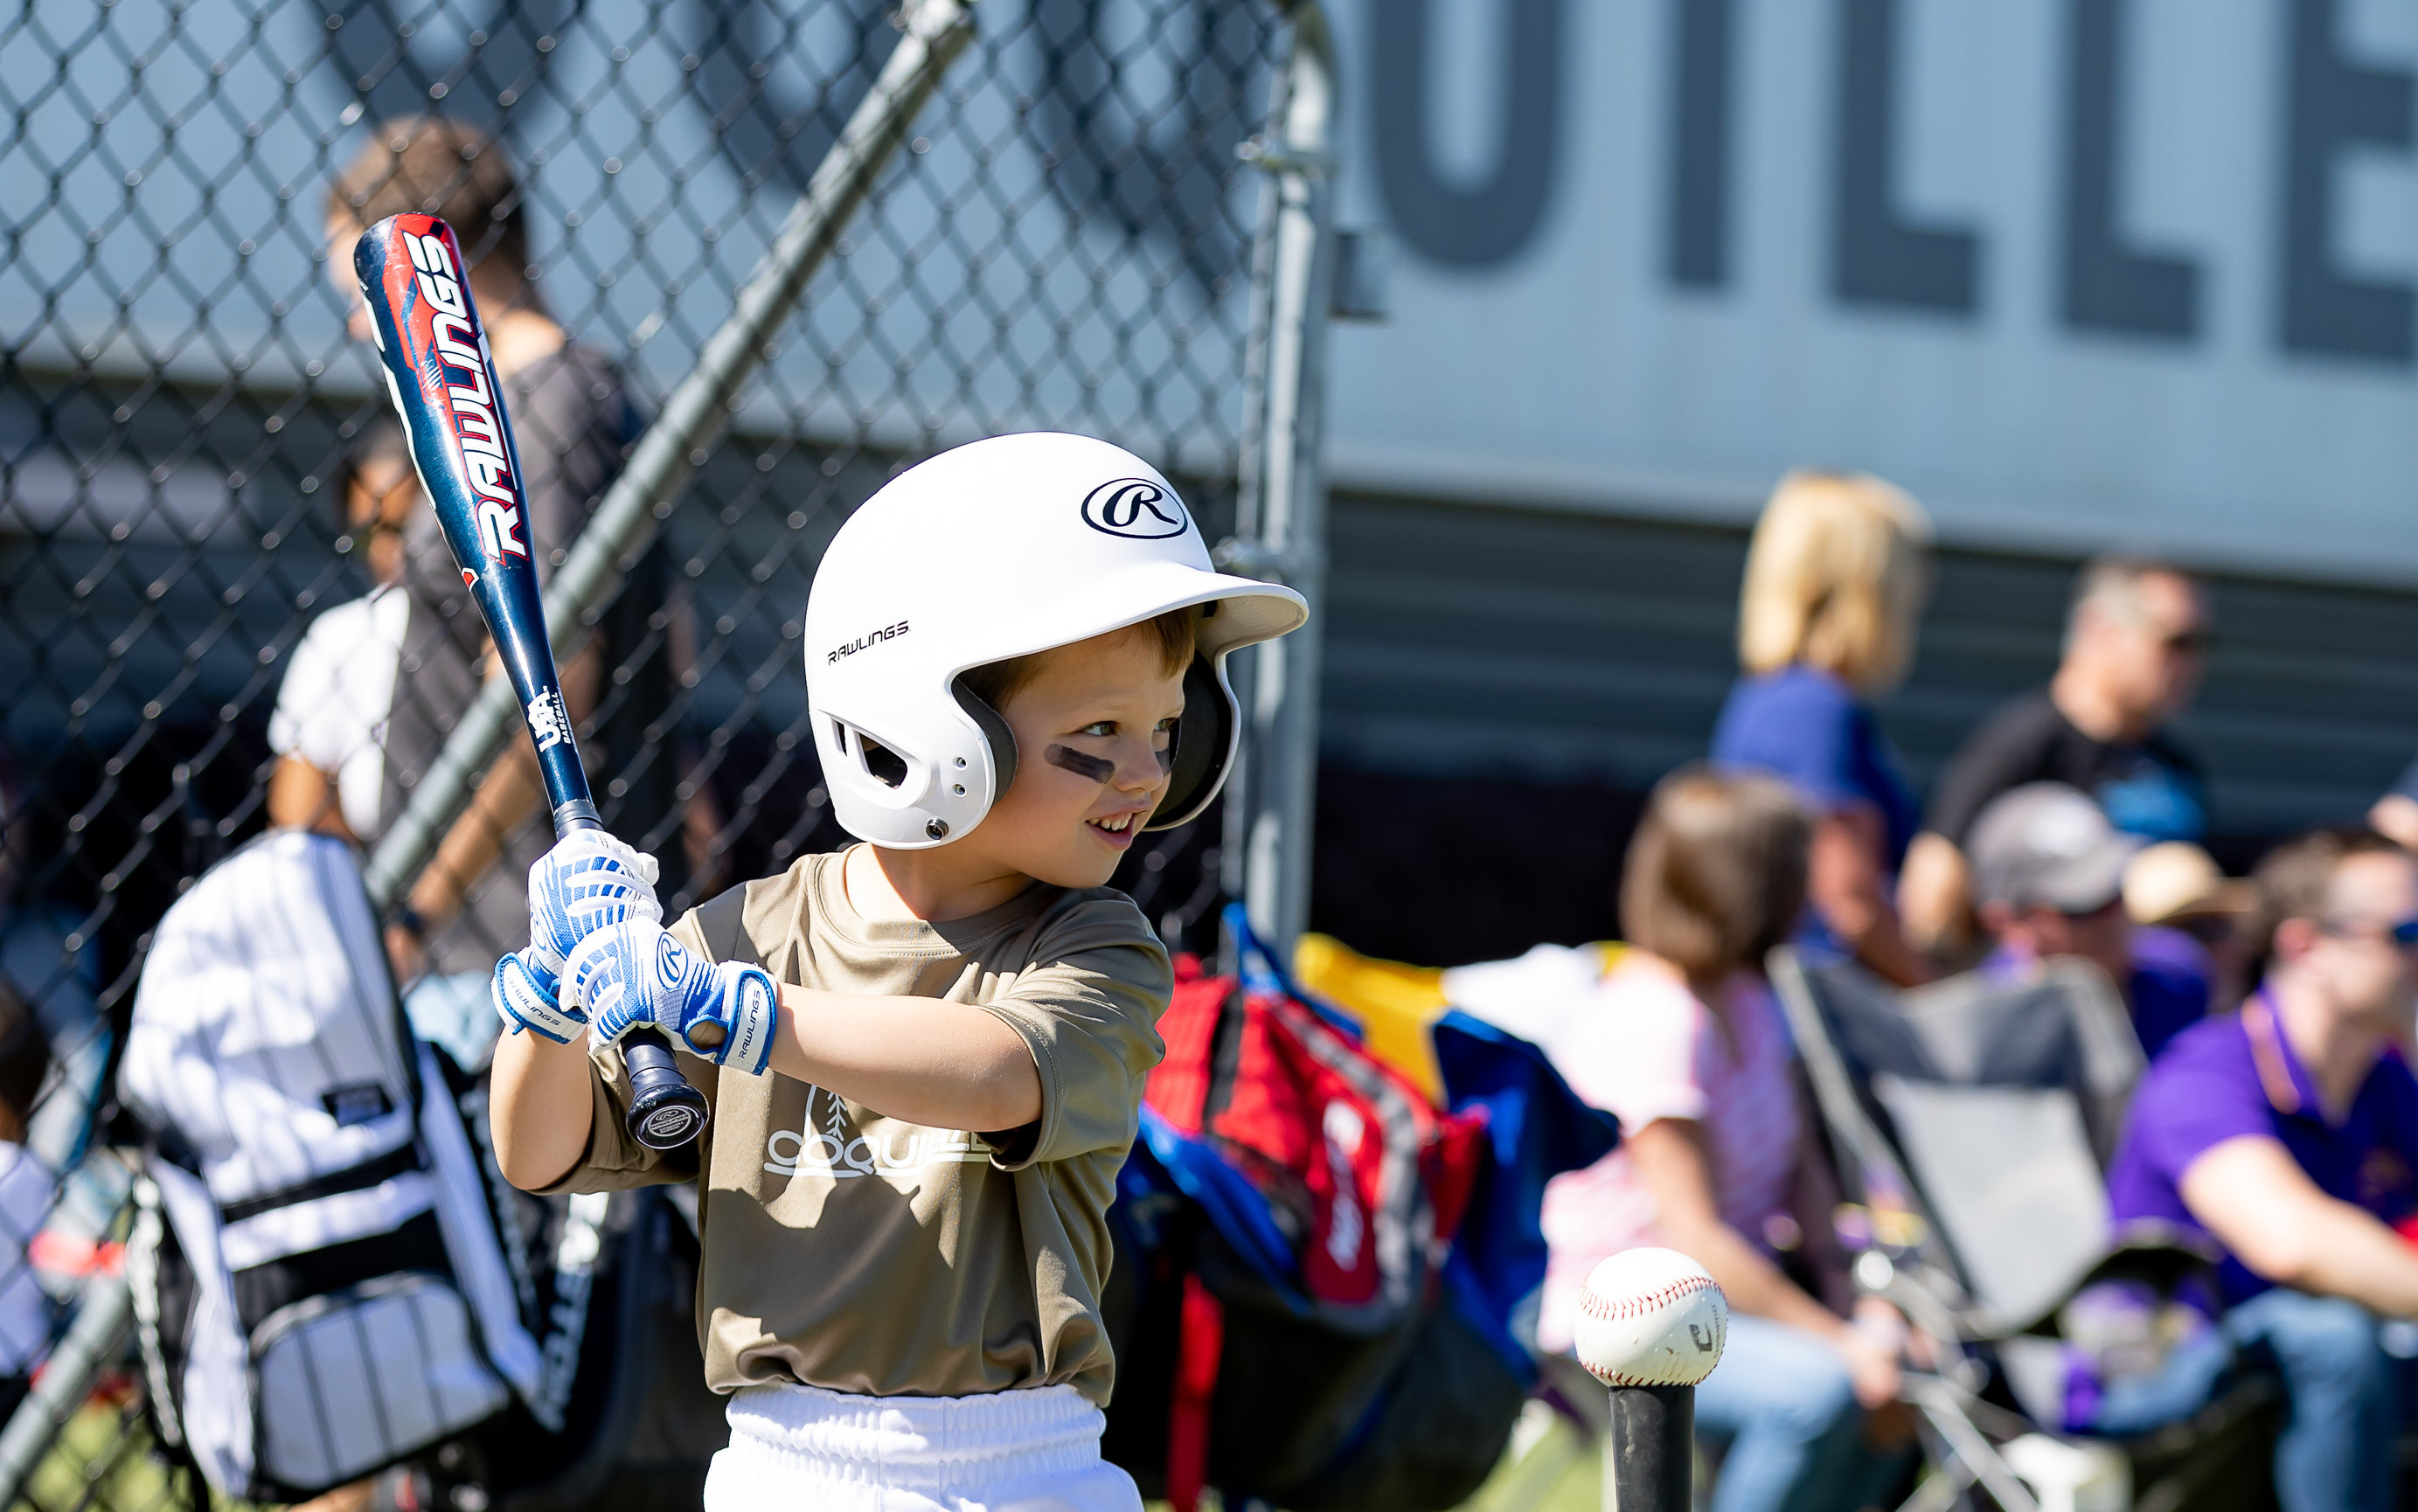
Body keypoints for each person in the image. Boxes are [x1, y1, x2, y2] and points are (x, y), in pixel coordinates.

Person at [484, 433, 1308, 1511]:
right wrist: (551, 996)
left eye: (1164, 726)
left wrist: (738, 1014)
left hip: (1024, 1472)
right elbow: (538, 1150)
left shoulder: (1096, 947)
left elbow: (996, 1070)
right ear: (923, 717)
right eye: (1097, 731)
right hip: (781, 1471)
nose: (1147, 771)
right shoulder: (748, 936)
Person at [270, 116, 665, 1067]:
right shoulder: (580, 399)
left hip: (504, 954)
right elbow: (673, 641)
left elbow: (545, 694)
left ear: (431, 258)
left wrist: (411, 908)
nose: (365, 325)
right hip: (500, 940)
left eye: (369, 288)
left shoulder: (538, 408)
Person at [1537, 766, 1910, 1512]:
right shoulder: (1658, 1018)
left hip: (1728, 1300)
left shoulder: (1753, 996)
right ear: (1749, 886)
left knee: (1901, 1395)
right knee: (1817, 1394)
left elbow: (1805, 1180)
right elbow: (1694, 1239)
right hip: (1620, 1312)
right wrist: (1840, 1346)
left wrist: (1867, 1310)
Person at [2094, 829, 2418, 1512]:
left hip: (2294, 1375)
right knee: (2330, 1337)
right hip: (2153, 1369)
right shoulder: (2206, 1073)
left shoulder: (2382, 1079)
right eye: (2406, 931)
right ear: (2307, 947)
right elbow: (2291, 1243)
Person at [1900, 558, 2212, 958]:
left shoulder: (2176, 764)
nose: (2192, 663)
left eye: (2203, 644)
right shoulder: (2022, 744)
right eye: (2176, 642)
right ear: (2099, 629)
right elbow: (1932, 892)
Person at [1712, 469, 1935, 986]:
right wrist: (1938, 993)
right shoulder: (1816, 710)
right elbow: (1851, 904)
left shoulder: (1770, 697)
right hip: (1819, 1016)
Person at [1965, 784, 2211, 1062]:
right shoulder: (1989, 1032)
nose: (2114, 915)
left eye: (2116, 888)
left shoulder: (2178, 975)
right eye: (2086, 904)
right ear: (2006, 924)